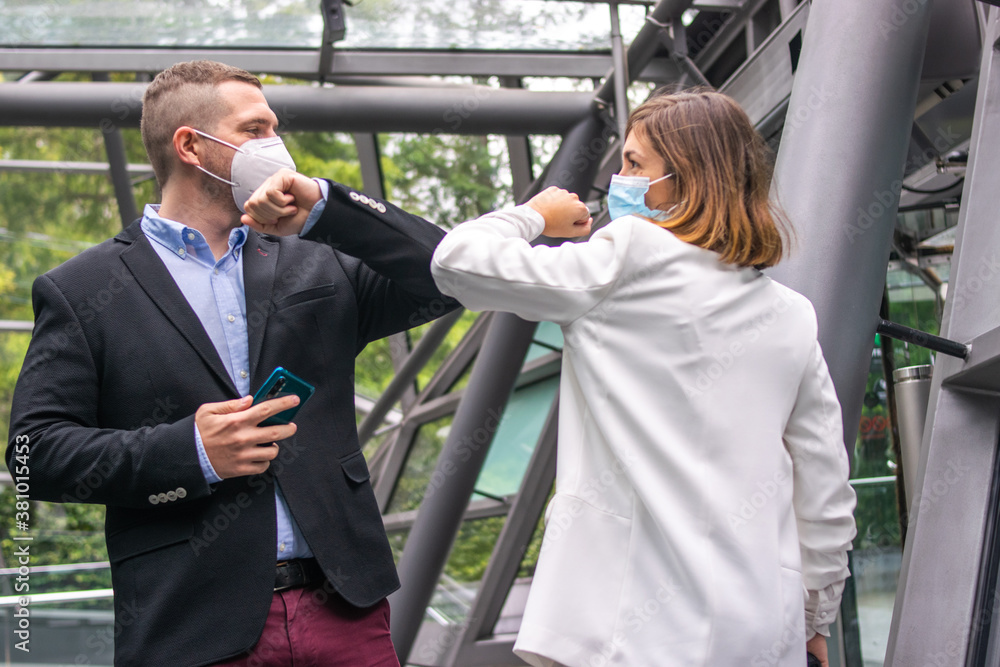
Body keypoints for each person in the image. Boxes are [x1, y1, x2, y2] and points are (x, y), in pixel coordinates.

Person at [7, 60, 457, 666]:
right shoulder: (82, 289)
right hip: (192, 624)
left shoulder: (317, 256)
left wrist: (328, 207)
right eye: (254, 129)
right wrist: (190, 451)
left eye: (274, 127)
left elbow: (448, 273)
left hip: (346, 611)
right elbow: (33, 453)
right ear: (190, 145)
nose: (275, 143)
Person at [429, 90, 857, 667]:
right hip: (757, 632)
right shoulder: (792, 315)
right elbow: (825, 491)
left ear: (688, 180)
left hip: (629, 631)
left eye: (634, 163)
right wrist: (813, 619)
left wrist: (535, 215)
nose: (620, 178)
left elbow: (455, 261)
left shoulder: (629, 257)